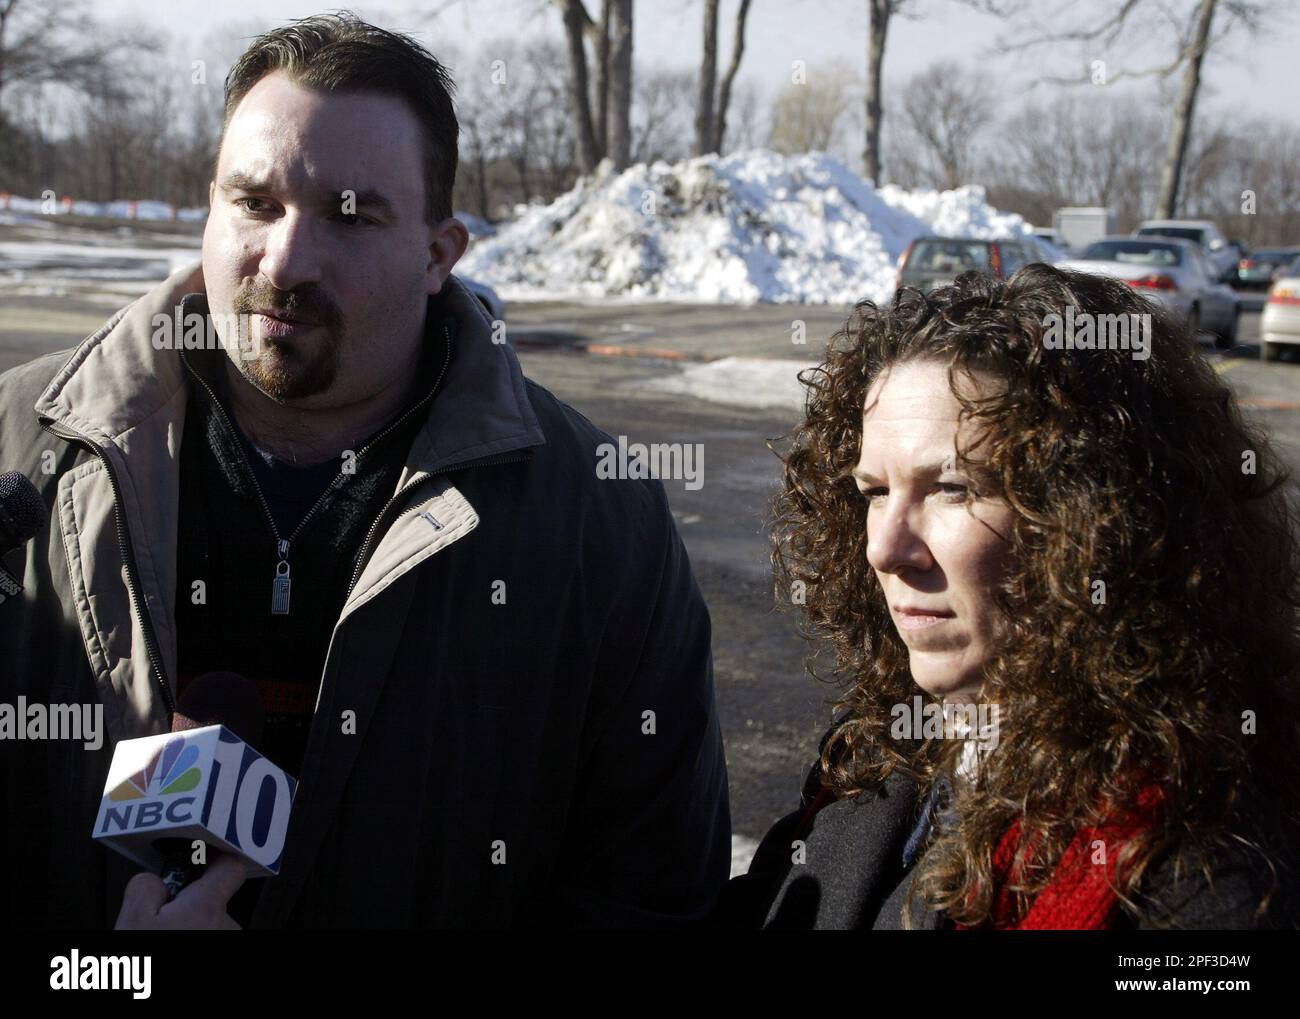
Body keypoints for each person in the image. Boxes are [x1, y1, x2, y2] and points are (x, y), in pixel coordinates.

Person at [0, 13, 728, 929]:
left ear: (438, 255)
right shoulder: (24, 451)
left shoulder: (596, 516)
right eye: (255, 202)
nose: (287, 260)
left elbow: (654, 890)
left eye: (350, 216)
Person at [725, 264, 1300, 929]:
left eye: (952, 487)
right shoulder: (877, 754)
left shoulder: (1196, 879)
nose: (884, 546)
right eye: (874, 491)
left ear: (1100, 520)